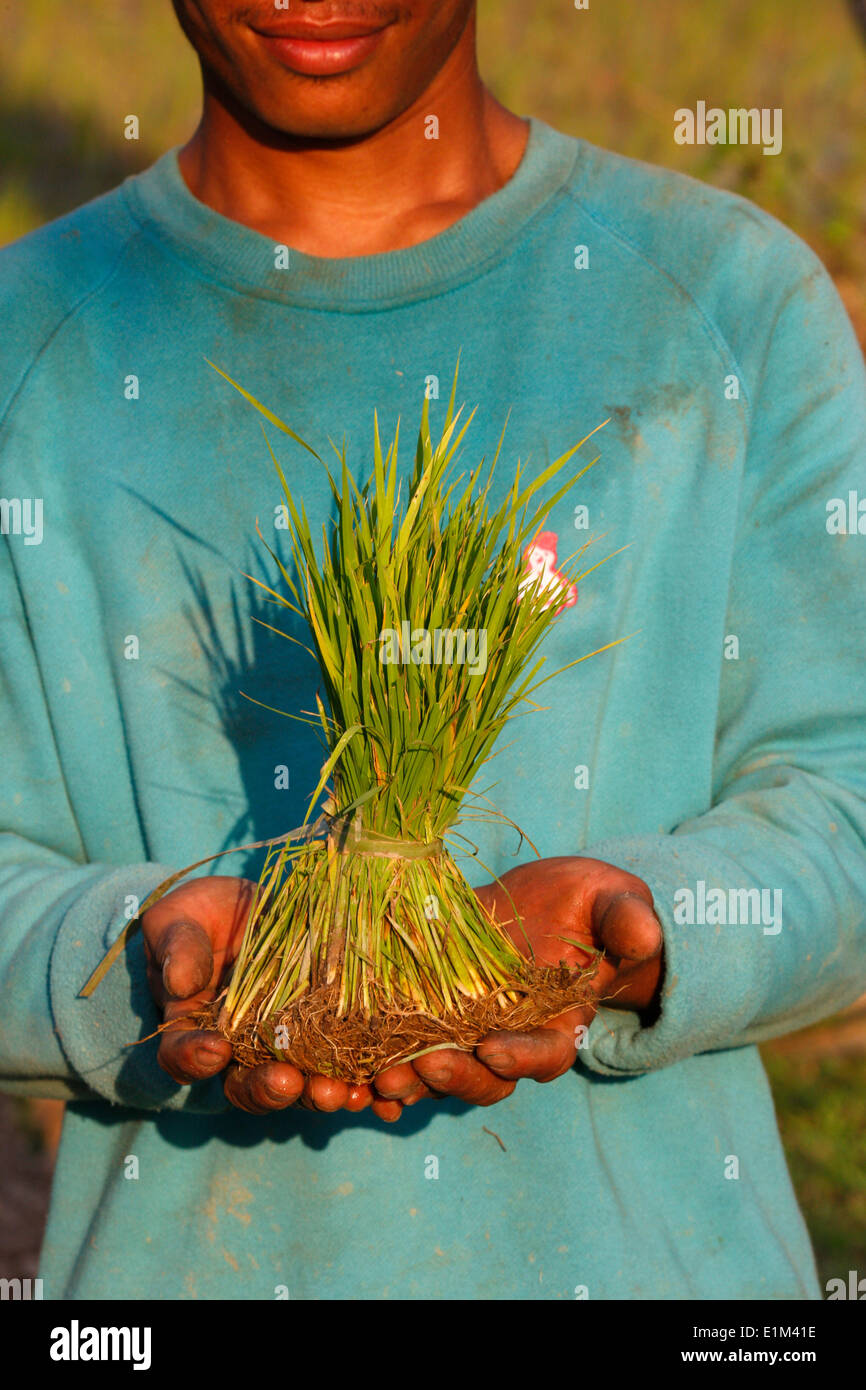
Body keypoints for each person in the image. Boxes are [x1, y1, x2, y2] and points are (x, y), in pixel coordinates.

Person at [1, 0, 864, 1301]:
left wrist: (652, 924)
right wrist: (128, 949)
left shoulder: (726, 304)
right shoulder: (32, 347)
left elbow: (847, 798)